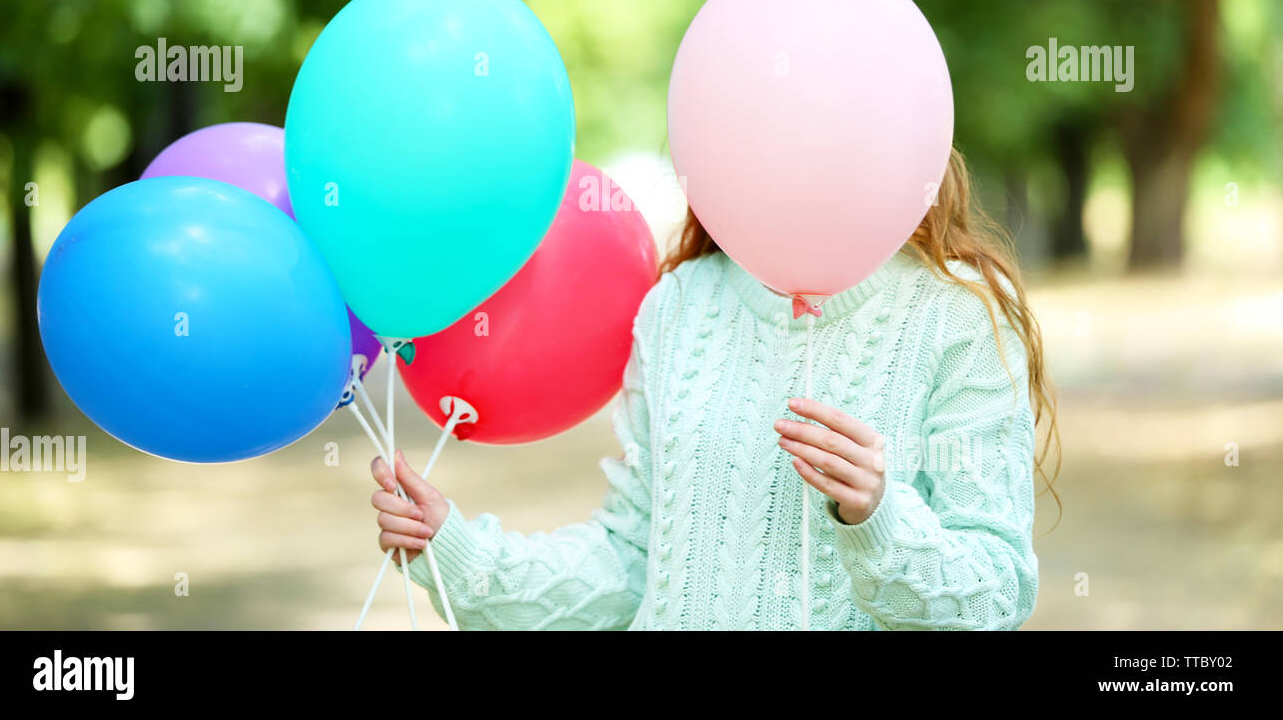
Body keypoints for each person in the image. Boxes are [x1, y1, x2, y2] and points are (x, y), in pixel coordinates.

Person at [369, 140, 1058, 629]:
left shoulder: (957, 316)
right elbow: (632, 563)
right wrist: (458, 550)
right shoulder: (679, 305)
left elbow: (997, 593)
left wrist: (877, 518)